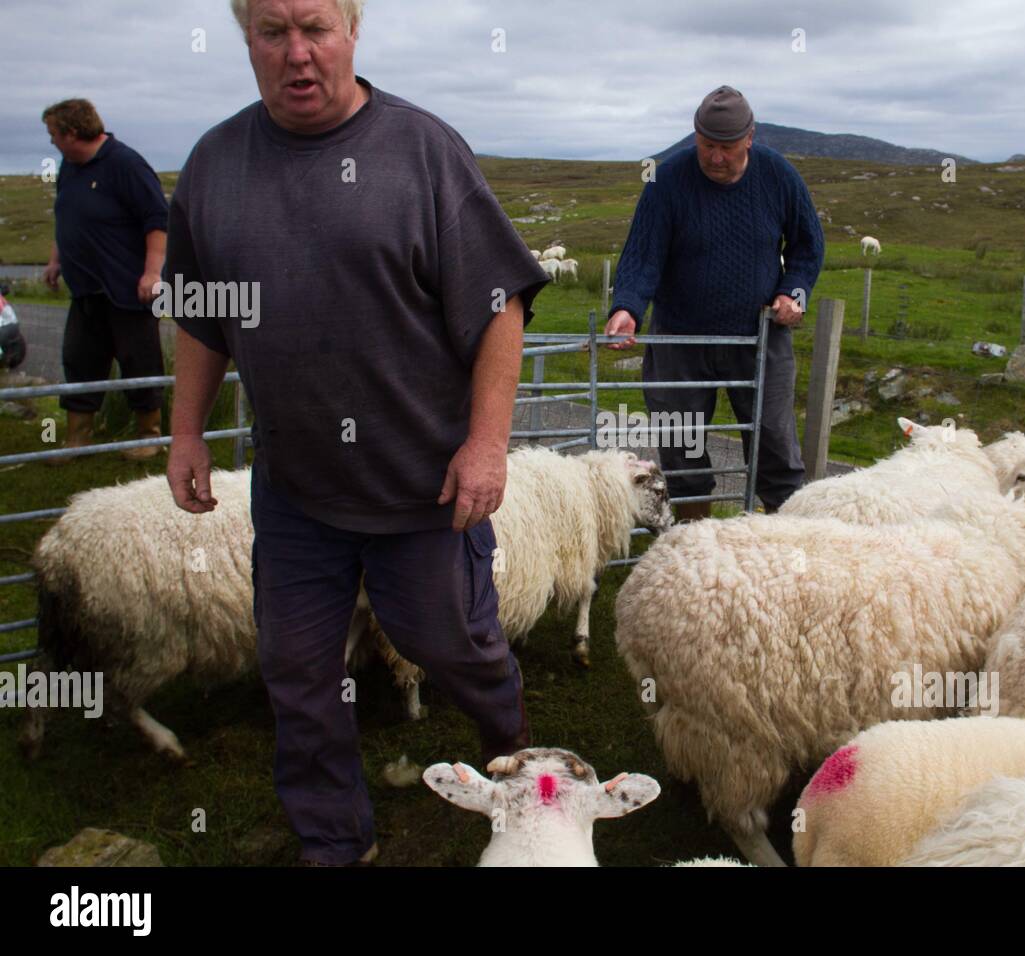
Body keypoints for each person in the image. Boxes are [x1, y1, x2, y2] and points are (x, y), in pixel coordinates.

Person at [164, 0, 548, 866]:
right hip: (298, 491)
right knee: (296, 671)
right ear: (247, 38)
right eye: (272, 33)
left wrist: (487, 443)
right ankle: (335, 840)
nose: (297, 55)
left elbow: (500, 305)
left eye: (315, 29)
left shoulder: (422, 152)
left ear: (352, 30)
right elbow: (198, 313)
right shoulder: (216, 165)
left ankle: (518, 765)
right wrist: (185, 432)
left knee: (452, 645)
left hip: (422, 487)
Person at [604, 85, 824, 519]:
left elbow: (807, 246)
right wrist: (627, 308)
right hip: (680, 338)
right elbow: (643, 254)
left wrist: (793, 292)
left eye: (726, 148)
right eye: (706, 146)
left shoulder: (778, 176)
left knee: (775, 447)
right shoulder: (667, 181)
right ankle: (694, 551)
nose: (715, 158)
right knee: (681, 446)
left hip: (759, 335)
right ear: (695, 137)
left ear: (749, 138)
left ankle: (788, 550)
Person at [41, 98, 168, 462]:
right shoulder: (70, 166)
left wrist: (152, 273)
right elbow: (66, 216)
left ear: (71, 132)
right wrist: (55, 260)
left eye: (53, 134)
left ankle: (148, 436)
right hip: (85, 289)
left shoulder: (125, 164)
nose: (51, 142)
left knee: (139, 360)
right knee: (78, 359)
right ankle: (78, 439)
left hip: (128, 288)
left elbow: (157, 219)